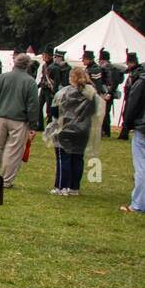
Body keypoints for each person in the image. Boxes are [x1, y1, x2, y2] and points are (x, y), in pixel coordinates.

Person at [0, 53, 41, 187]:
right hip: (19, 120)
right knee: (14, 151)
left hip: (0, 117)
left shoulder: (3, 77)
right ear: (27, 66)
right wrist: (33, 125)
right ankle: (6, 180)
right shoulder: (30, 82)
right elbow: (33, 105)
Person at [50, 65, 98, 196]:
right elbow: (94, 111)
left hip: (65, 128)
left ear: (72, 77)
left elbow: (54, 110)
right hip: (83, 130)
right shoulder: (91, 93)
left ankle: (61, 186)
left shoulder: (65, 92)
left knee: (63, 158)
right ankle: (74, 187)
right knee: (77, 158)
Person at [120, 53, 145, 214]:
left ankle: (138, 203)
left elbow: (132, 104)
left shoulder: (142, 81)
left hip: (143, 128)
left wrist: (127, 124)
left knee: (142, 166)